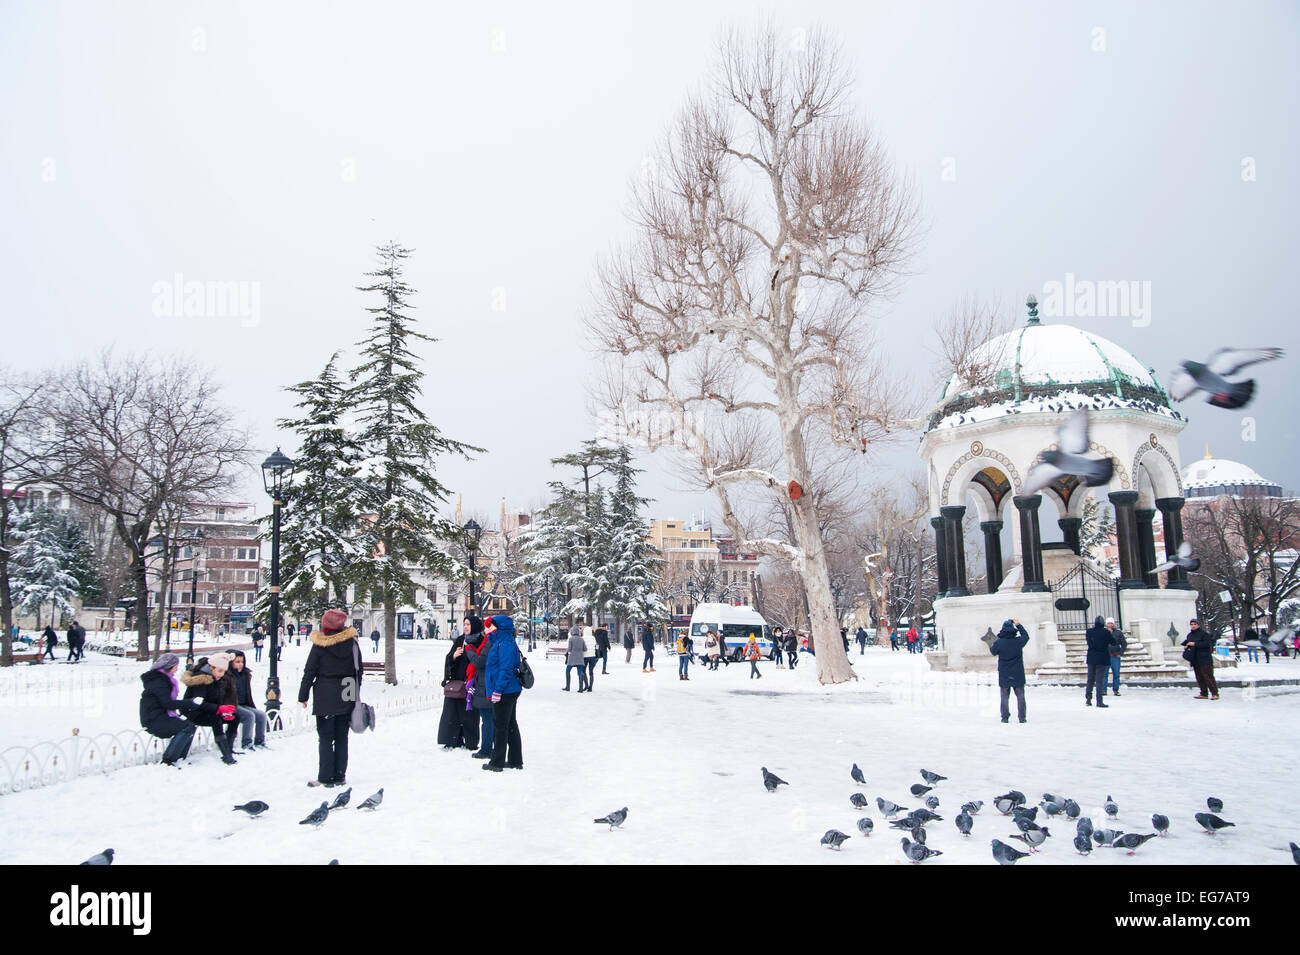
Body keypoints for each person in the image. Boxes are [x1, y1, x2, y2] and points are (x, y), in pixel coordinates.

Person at [298, 609, 362, 787]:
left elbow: (310, 670)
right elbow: (358, 670)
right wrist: (355, 694)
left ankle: (325, 776)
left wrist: (303, 695)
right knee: (342, 736)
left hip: (325, 692)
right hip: (346, 690)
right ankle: (340, 775)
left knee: (325, 737)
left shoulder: (320, 644)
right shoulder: (352, 643)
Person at [139, 653, 199, 766]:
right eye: (175, 666)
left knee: (190, 725)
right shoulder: (159, 681)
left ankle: (180, 758)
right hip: (153, 719)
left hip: (160, 715)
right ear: (168, 667)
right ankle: (168, 760)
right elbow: (167, 703)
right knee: (186, 727)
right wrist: (188, 703)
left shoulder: (163, 679)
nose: (176, 669)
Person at [181, 652, 240, 765]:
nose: (221, 674)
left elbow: (215, 699)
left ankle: (228, 747)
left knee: (235, 717)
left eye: (223, 672)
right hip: (193, 711)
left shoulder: (216, 678)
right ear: (211, 667)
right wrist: (219, 709)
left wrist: (224, 711)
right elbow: (198, 703)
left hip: (209, 710)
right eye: (219, 671)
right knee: (216, 720)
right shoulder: (201, 679)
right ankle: (226, 755)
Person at [483, 614, 522, 772]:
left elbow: (505, 669)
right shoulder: (502, 641)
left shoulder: (504, 643)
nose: (488, 629)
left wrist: (497, 690)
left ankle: (497, 762)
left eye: (491, 626)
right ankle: (515, 760)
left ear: (499, 627)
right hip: (510, 689)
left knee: (500, 726)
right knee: (510, 725)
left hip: (505, 690)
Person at [437, 617, 480, 750]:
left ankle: (470, 741)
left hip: (471, 682)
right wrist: (454, 656)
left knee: (469, 713)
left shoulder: (481, 641)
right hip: (456, 682)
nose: (466, 627)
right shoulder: (461, 640)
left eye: (468, 624)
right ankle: (452, 739)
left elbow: (480, 660)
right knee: (452, 711)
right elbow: (449, 658)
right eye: (465, 624)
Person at [989, 618, 1030, 723]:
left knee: (1004, 697)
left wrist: (992, 641)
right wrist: (1019, 625)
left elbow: (993, 651)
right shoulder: (1018, 641)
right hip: (1018, 673)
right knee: (1020, 696)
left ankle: (1005, 717)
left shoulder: (999, 643)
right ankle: (1022, 718)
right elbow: (1026, 636)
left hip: (1004, 673)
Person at [465, 617, 493, 759]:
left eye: (488, 626)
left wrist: (469, 650)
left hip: (485, 683)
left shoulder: (489, 642)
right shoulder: (490, 640)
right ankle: (490, 746)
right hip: (485, 682)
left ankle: (487, 748)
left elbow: (479, 661)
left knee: (487, 719)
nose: (485, 629)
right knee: (489, 719)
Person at [229, 650, 268, 751]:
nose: (240, 664)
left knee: (261, 715)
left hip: (243, 704)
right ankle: (247, 743)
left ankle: (260, 741)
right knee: (249, 716)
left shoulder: (245, 674)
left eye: (242, 662)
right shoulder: (227, 676)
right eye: (237, 662)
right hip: (231, 704)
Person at [1181, 619, 1219, 700]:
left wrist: (1195, 644)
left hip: (1204, 658)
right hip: (1195, 658)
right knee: (1199, 677)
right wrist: (1187, 646)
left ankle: (1214, 693)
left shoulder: (1204, 634)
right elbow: (1188, 642)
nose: (1193, 626)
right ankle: (1204, 693)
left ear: (1198, 625)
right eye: (1191, 624)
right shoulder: (1190, 635)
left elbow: (1207, 644)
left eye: (1195, 624)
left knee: (1208, 676)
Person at [1084, 615, 1110, 708]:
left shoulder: (1089, 632)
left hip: (1091, 658)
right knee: (1099, 680)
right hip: (1102, 658)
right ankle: (1099, 701)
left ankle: (1088, 698)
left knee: (1090, 679)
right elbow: (1113, 642)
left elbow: (1089, 643)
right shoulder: (1106, 632)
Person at [1105, 617, 1126, 695]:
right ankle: (1104, 690)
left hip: (1115, 656)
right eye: (1108, 623)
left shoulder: (1118, 633)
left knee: (1116, 673)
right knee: (1104, 674)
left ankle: (1116, 690)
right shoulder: (1103, 632)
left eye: (1111, 623)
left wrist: (1120, 653)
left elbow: (1124, 644)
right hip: (1106, 656)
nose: (1110, 625)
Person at [565, 624, 588, 692]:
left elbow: (569, 649)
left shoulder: (571, 639)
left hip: (572, 658)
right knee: (580, 672)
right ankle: (580, 688)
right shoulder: (582, 639)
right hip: (580, 658)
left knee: (567, 671)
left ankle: (568, 687)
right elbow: (585, 649)